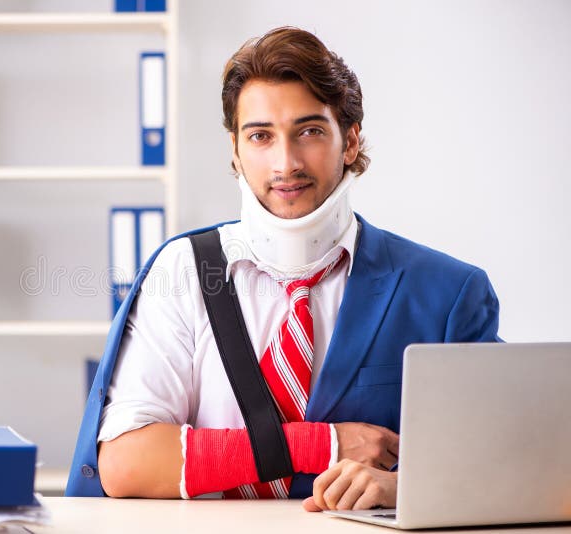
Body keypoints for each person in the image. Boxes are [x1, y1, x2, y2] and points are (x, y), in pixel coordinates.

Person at [66, 26, 500, 509]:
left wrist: (406, 490)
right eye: (260, 136)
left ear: (350, 141)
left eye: (309, 132)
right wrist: (321, 445)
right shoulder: (182, 271)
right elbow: (126, 462)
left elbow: (508, 459)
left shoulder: (447, 292)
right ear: (235, 151)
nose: (285, 163)